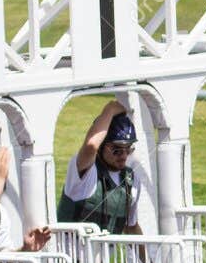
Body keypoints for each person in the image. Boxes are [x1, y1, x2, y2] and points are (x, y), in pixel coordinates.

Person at [56, 100, 144, 234]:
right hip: (68, 254)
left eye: (128, 149)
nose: (124, 155)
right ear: (101, 146)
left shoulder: (131, 180)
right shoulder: (85, 172)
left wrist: (146, 256)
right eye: (116, 149)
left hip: (104, 255)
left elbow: (132, 227)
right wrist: (110, 108)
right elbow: (91, 145)